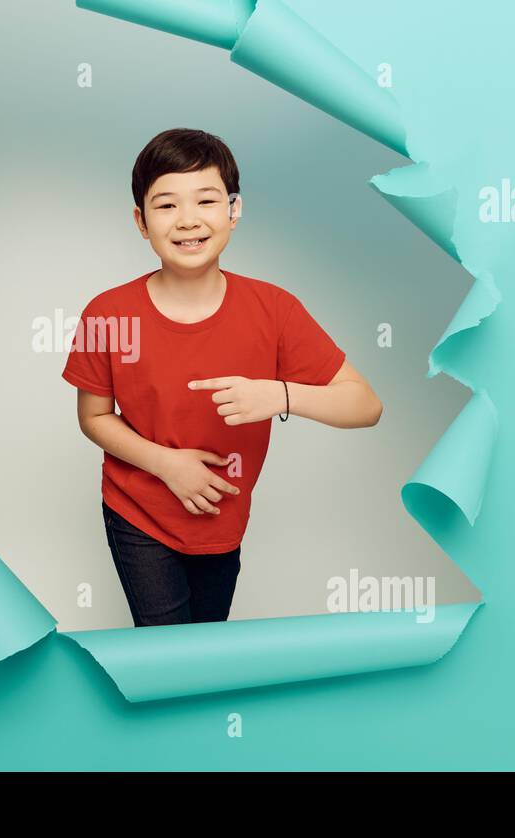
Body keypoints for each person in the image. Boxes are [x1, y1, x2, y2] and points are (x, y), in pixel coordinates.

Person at [62, 128, 383, 627]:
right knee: (170, 648)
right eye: (166, 205)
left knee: (209, 647)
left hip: (223, 517)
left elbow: (365, 406)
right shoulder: (108, 313)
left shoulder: (274, 309)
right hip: (137, 511)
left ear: (234, 210)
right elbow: (94, 417)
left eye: (206, 200)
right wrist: (167, 465)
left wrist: (278, 394)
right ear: (140, 222)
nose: (188, 220)